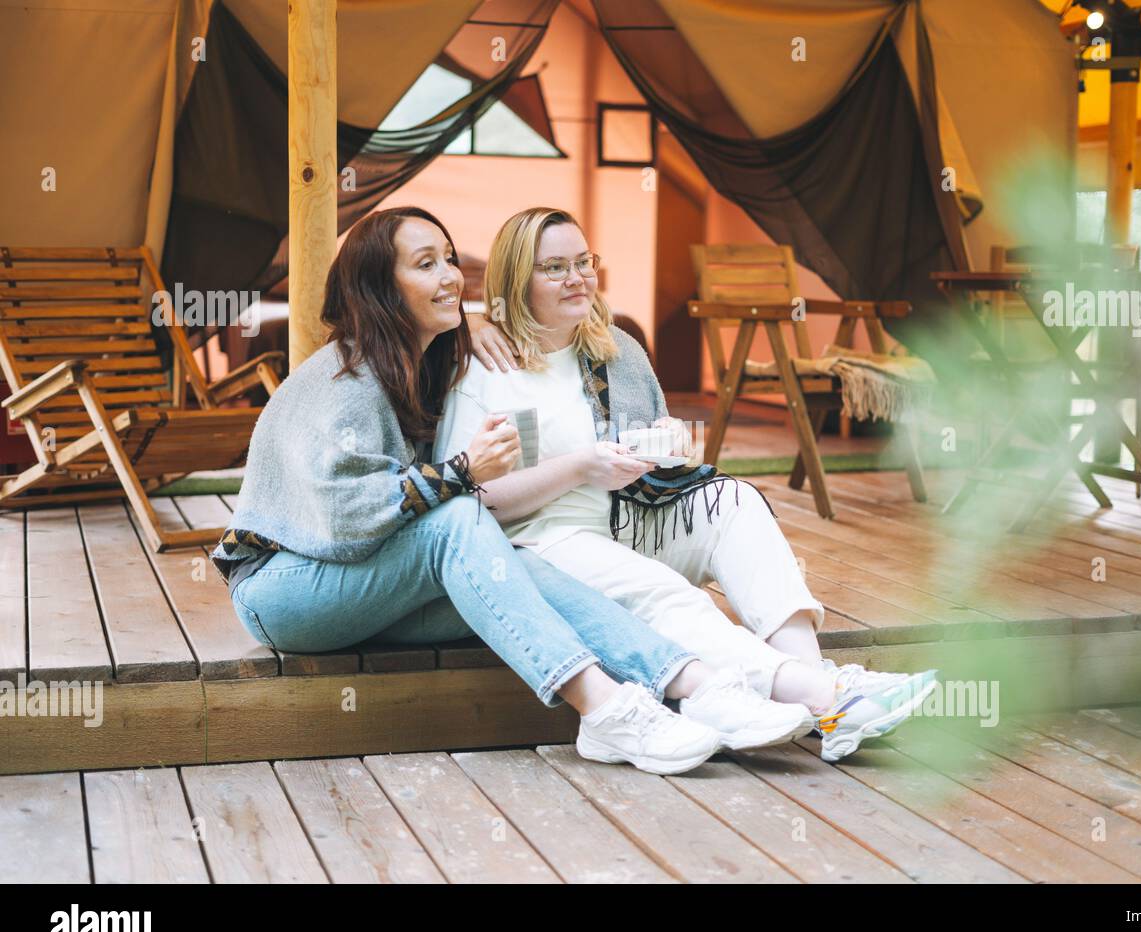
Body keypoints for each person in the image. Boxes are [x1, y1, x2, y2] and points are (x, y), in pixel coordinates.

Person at [209, 205, 817, 776]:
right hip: (288, 587)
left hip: (377, 582)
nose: (450, 276)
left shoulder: (429, 359)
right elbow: (343, 522)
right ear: (378, 288)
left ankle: (698, 685)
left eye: (449, 259)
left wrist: (475, 325)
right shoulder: (344, 375)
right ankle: (604, 709)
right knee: (462, 520)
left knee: (523, 562)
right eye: (426, 265)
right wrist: (463, 471)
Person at [437, 206, 938, 762]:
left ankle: (824, 691)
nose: (577, 277)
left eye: (584, 262)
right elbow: (468, 503)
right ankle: (827, 696)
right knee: (666, 592)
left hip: (626, 514)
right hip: (545, 542)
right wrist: (581, 467)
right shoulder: (481, 369)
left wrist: (664, 439)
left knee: (737, 502)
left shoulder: (616, 350)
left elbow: (648, 444)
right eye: (554, 267)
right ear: (516, 280)